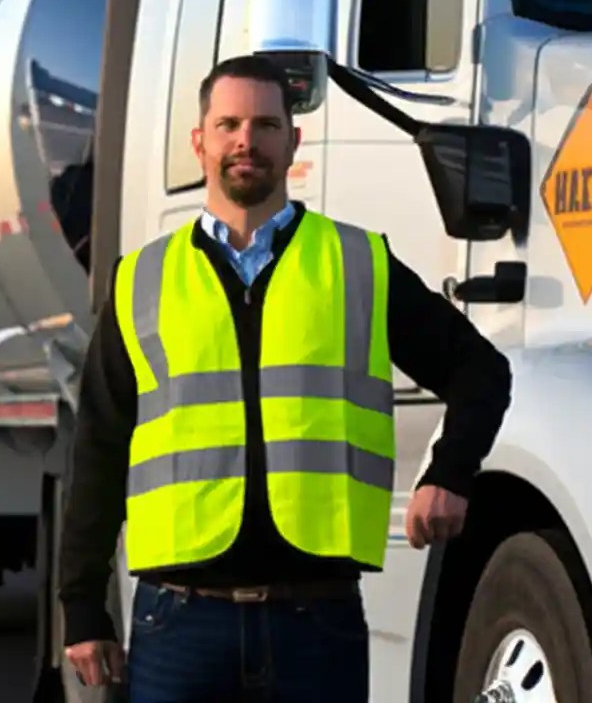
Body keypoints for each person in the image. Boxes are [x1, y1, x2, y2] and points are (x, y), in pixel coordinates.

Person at [57, 54, 513, 702]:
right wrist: (81, 605)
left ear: (293, 140)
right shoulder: (141, 281)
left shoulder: (358, 263)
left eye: (267, 124)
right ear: (200, 141)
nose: (247, 140)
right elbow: (98, 447)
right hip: (179, 620)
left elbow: (481, 371)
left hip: (315, 621)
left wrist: (449, 472)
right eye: (229, 124)